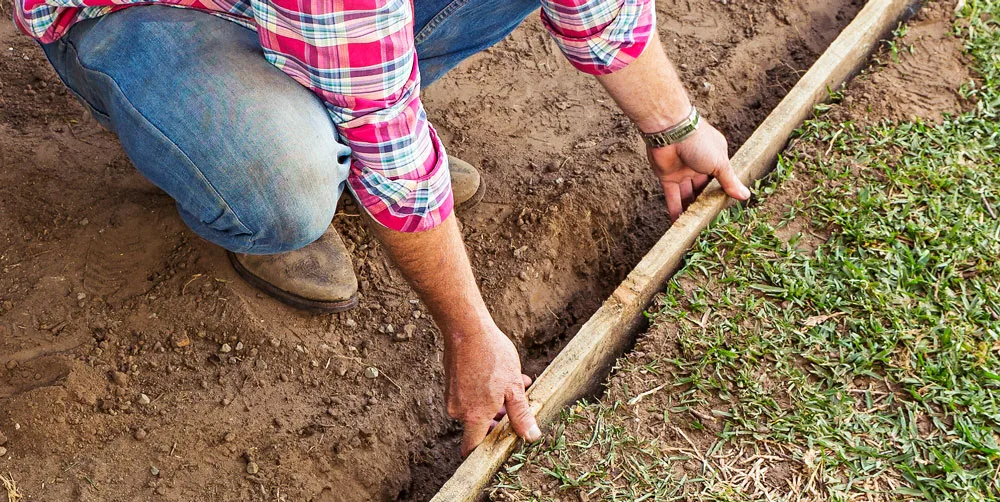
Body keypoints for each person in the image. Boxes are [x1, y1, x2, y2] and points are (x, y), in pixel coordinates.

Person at [14, 0, 750, 456]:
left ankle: (335, 112)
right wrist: (471, 333)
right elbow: (391, 158)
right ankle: (270, 191)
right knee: (285, 182)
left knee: (368, 110)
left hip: (323, 20)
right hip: (143, 16)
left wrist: (672, 123)